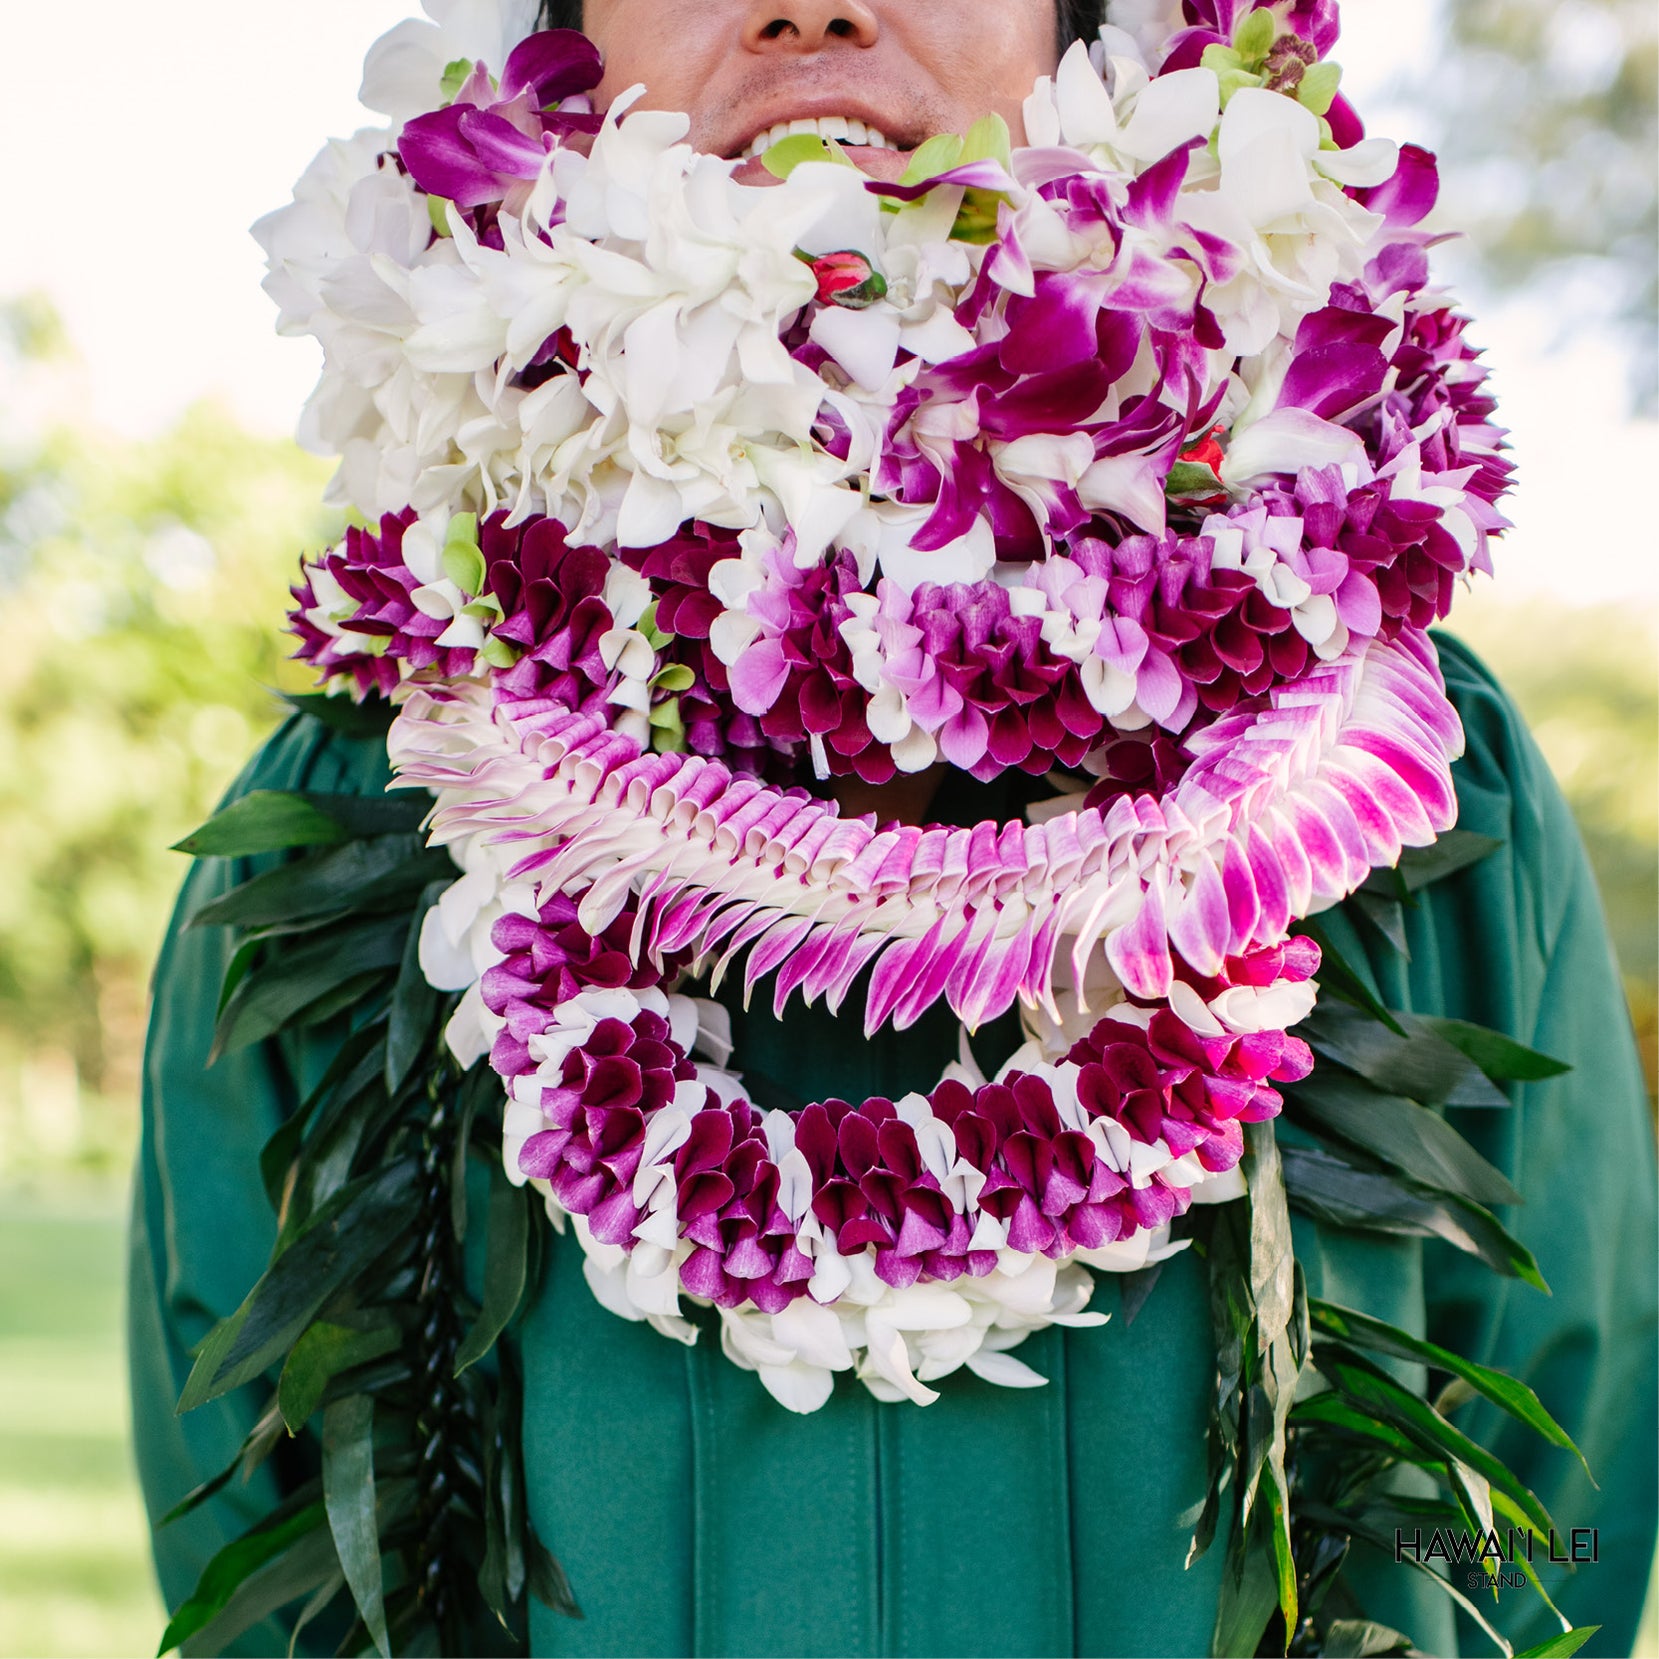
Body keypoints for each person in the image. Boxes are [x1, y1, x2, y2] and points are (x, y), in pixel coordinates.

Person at [129, 4, 1658, 1655]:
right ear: (565, 46)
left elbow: (1516, 1529)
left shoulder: (1402, 788)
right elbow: (273, 1533)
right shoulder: (374, 799)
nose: (813, 4)